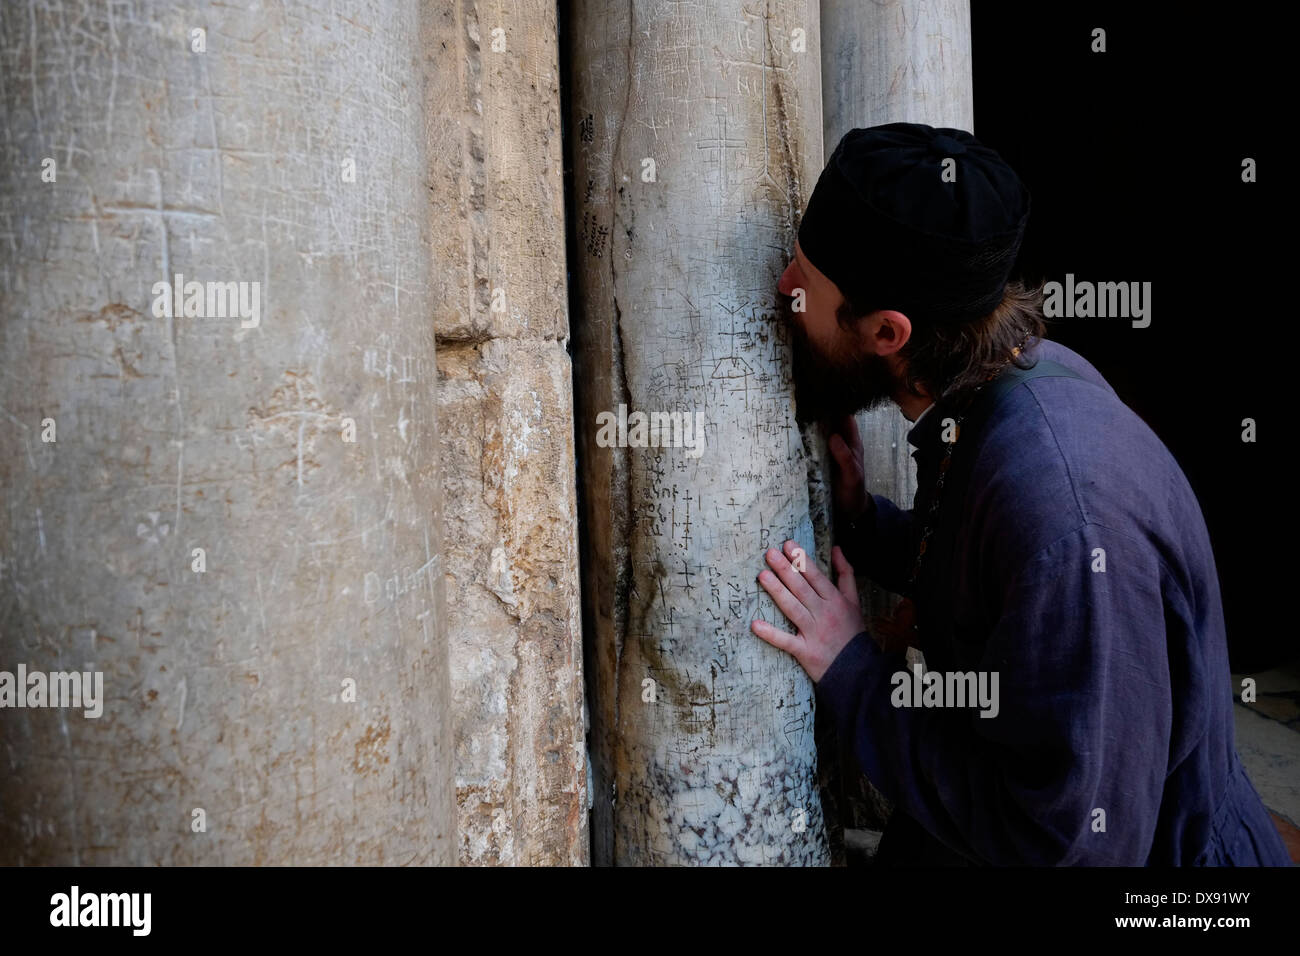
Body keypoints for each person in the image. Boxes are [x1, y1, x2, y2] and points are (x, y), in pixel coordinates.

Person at [750, 122, 1291, 866]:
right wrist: (864, 523)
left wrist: (853, 671)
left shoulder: (1068, 523)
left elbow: (1060, 844)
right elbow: (994, 584)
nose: (783, 285)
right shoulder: (1013, 379)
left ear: (886, 332)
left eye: (807, 282)